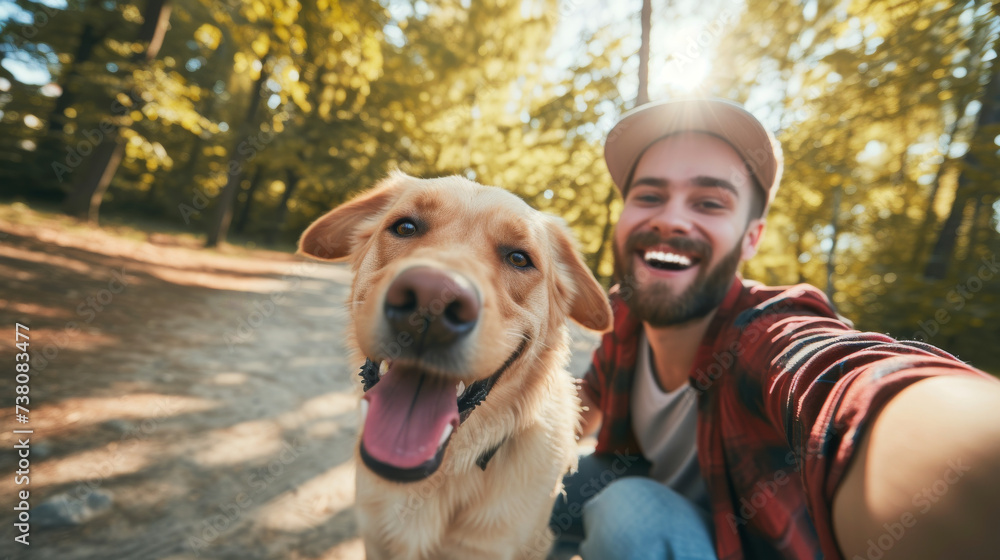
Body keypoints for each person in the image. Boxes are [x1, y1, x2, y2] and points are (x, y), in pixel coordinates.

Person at [548, 98, 1000, 560]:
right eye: (648, 196)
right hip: (639, 486)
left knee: (629, 512)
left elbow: (837, 378)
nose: (671, 218)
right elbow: (584, 410)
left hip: (735, 544)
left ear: (751, 237)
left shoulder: (762, 332)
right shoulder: (624, 314)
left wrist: (968, 447)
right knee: (536, 469)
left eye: (708, 202)